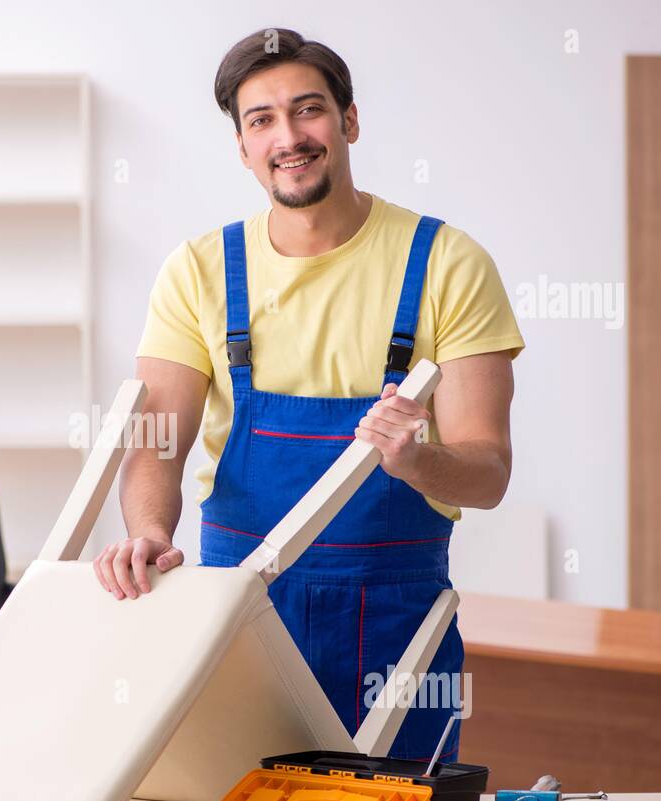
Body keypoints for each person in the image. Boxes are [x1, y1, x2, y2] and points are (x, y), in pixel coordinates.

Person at [91, 28, 525, 763]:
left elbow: (489, 471)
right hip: (239, 619)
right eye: (261, 120)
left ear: (349, 121)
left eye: (308, 110)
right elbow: (156, 443)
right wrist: (152, 531)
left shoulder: (448, 263)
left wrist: (419, 462)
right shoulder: (199, 270)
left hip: (398, 631)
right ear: (242, 146)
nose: (288, 137)